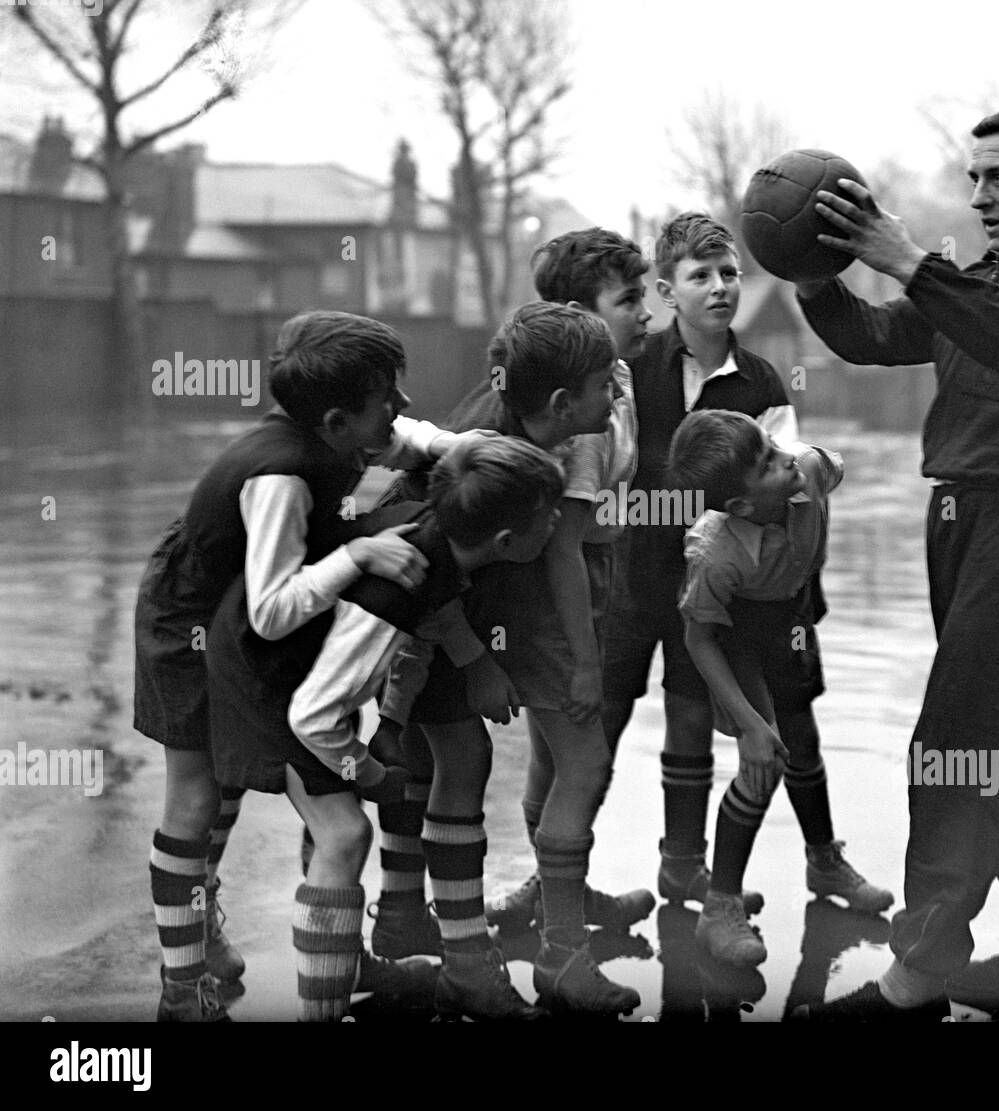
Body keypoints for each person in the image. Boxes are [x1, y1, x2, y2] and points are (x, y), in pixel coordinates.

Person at [789, 105, 999, 1020]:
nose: (979, 194)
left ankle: (918, 976)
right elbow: (873, 336)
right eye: (972, 177)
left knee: (958, 742)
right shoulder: (976, 283)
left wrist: (910, 258)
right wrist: (811, 267)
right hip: (960, 527)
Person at [133, 309, 456, 1021]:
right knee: (198, 796)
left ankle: (319, 947)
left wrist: (460, 448)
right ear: (337, 421)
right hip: (193, 620)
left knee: (279, 772)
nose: (401, 407)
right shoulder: (280, 476)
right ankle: (182, 990)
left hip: (250, 619)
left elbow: (403, 438)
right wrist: (357, 555)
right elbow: (273, 609)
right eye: (387, 397)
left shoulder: (334, 432)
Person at [379, 302, 643, 1018]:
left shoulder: (522, 422)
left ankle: (447, 936)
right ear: (561, 404)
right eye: (603, 387)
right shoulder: (491, 460)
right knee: (566, 763)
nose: (616, 394)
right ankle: (551, 951)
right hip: (430, 627)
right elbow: (431, 570)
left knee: (456, 765)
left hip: (477, 619)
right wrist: (488, 660)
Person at [286, 435, 565, 1022]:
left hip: (307, 676)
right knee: (338, 824)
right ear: (507, 543)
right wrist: (365, 773)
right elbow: (312, 715)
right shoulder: (392, 591)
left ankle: (366, 956)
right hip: (274, 685)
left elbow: (433, 612)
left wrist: (475, 662)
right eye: (550, 518)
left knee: (346, 810)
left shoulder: (434, 543)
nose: (560, 523)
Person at [602, 212, 795, 914]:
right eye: (700, 276)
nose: (719, 288)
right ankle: (564, 870)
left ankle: (683, 863)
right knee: (598, 719)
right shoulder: (632, 365)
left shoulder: (762, 379)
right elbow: (606, 459)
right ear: (665, 289)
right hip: (629, 576)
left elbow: (785, 479)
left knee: (689, 716)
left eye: (729, 274)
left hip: (707, 588)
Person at [477, 226, 657, 934]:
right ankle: (561, 933)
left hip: (595, 577)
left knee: (561, 753)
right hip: (562, 589)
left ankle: (563, 894)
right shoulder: (580, 420)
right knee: (574, 754)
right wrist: (585, 658)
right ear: (583, 316)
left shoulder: (616, 379)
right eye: (630, 300)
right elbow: (563, 547)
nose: (646, 313)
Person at [667, 411, 894, 968]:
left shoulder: (811, 468)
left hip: (789, 618)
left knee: (804, 740)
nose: (784, 460)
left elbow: (816, 463)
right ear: (740, 506)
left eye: (773, 447)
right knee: (763, 760)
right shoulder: (714, 553)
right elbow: (700, 640)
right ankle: (719, 906)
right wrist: (747, 722)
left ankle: (823, 860)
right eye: (768, 463)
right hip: (735, 637)